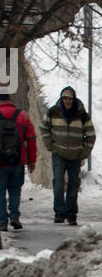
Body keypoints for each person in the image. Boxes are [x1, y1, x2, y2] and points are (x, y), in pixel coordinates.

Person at [39, 86, 96, 226]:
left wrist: (84, 152)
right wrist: (50, 146)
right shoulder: (54, 112)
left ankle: (71, 213)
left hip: (75, 156)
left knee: (73, 184)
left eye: (70, 98)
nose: (67, 101)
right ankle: (59, 212)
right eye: (65, 98)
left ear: (73, 99)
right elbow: (44, 128)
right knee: (58, 183)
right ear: (61, 98)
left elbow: (90, 135)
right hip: (58, 154)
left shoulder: (82, 115)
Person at [0, 90, 37, 232]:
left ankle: (2, 221)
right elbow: (31, 139)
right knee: (15, 190)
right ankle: (15, 216)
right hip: (17, 160)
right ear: (10, 99)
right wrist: (31, 161)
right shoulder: (22, 116)